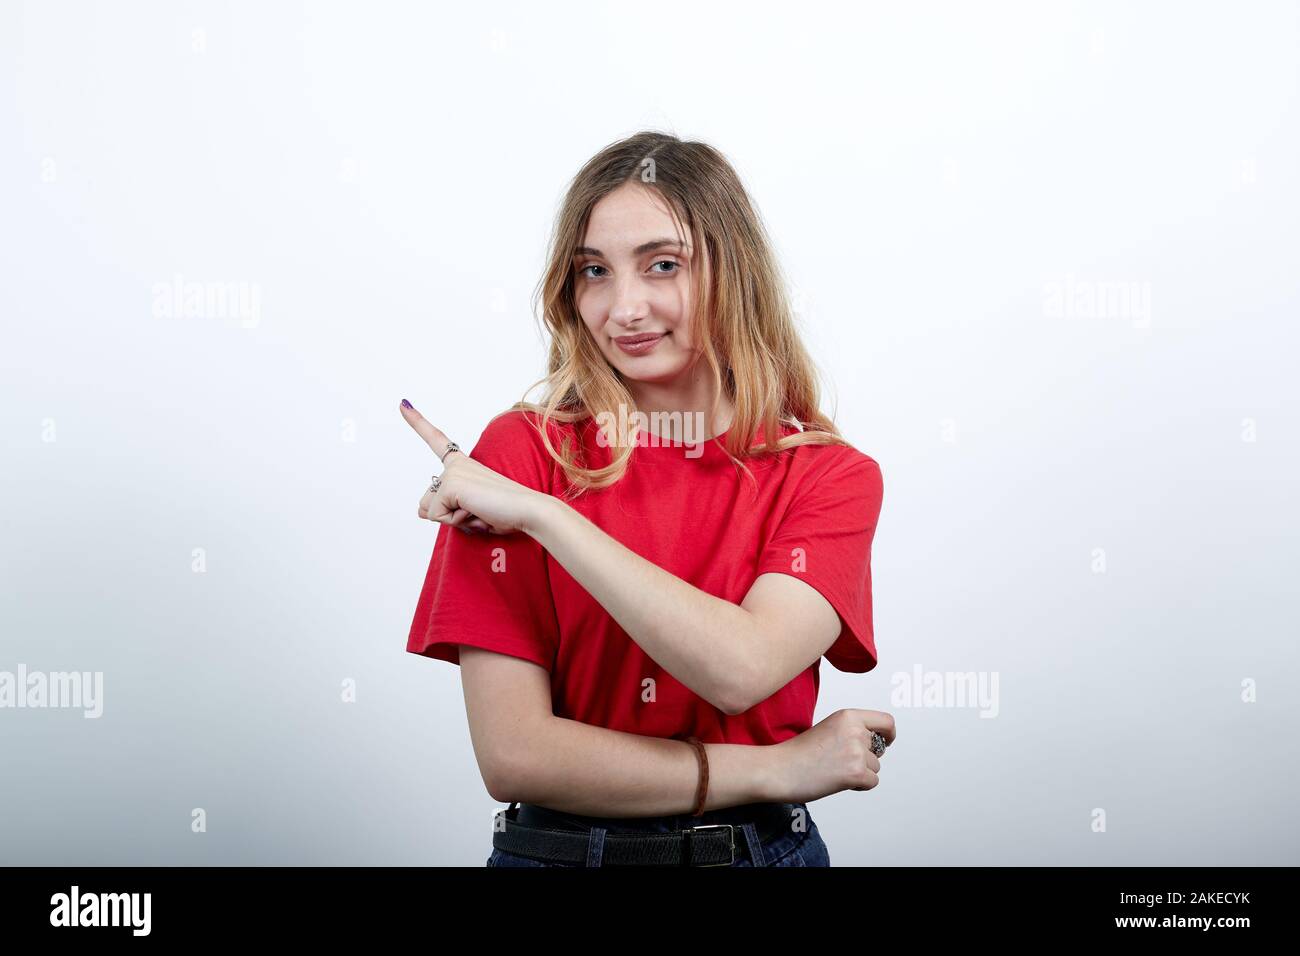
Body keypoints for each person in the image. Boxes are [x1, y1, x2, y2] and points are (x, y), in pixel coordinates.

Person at [401, 131, 894, 867]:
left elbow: (742, 668)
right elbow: (515, 756)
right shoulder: (519, 456)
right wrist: (774, 769)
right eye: (594, 272)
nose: (623, 308)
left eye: (663, 265)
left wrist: (548, 516)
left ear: (736, 272)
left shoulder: (829, 477)